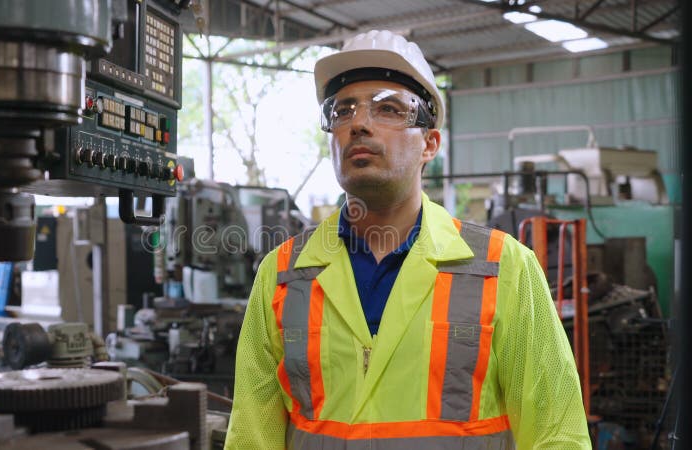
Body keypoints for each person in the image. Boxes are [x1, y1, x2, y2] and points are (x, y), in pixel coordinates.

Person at [224, 30, 591, 449]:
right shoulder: (283, 275)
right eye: (342, 111)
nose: (358, 123)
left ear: (429, 144)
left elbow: (557, 435)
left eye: (388, 108)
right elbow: (251, 437)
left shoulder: (504, 269)